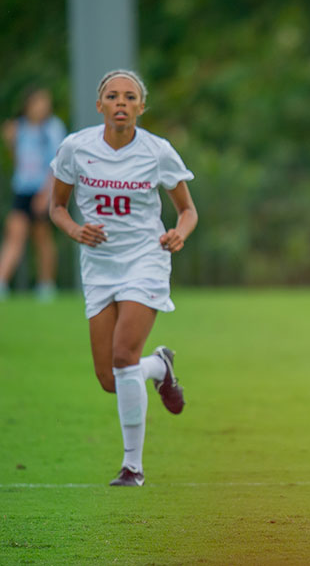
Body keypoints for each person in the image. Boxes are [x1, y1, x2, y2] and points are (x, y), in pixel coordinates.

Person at [48, 70, 198, 487]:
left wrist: (178, 235)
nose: (120, 103)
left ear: (140, 107)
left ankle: (132, 466)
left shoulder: (157, 151)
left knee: (122, 357)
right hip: (99, 266)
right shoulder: (75, 148)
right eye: (112, 96)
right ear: (100, 106)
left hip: (144, 260)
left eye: (129, 97)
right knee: (110, 380)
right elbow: (56, 207)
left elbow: (188, 211)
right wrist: (76, 230)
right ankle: (160, 366)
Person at [0, 87, 67, 300]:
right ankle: (2, 282)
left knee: (42, 238)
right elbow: (19, 160)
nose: (42, 107)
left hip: (43, 190)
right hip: (23, 189)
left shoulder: (52, 128)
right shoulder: (18, 128)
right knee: (14, 235)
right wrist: (10, 141)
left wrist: (47, 193)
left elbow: (57, 163)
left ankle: (46, 285)